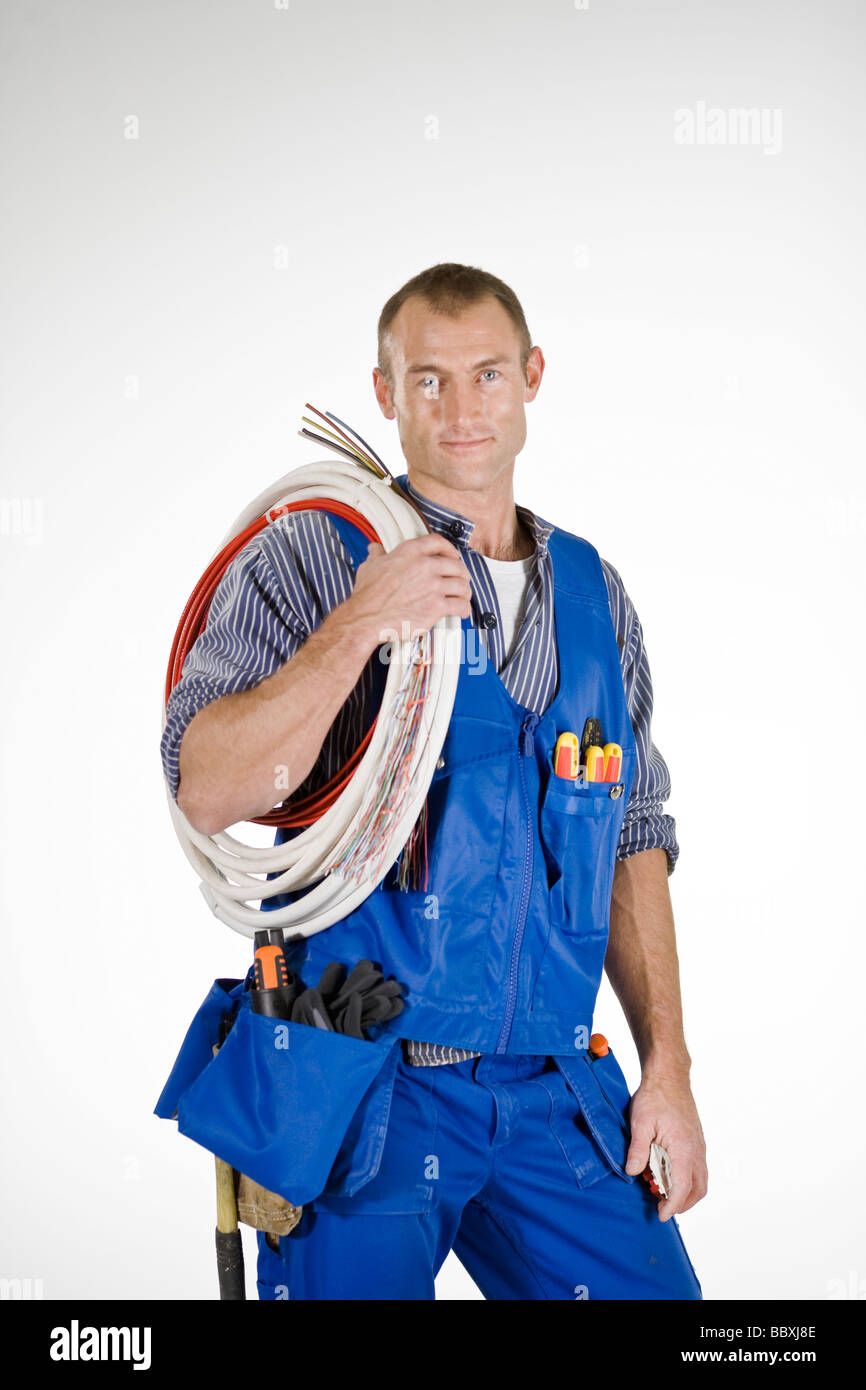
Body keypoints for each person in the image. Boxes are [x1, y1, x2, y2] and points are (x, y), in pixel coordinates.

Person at [161, 262, 707, 1300]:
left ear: (532, 375)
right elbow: (209, 789)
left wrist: (666, 1069)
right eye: (427, 380)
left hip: (553, 1086)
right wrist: (359, 624)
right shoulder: (315, 558)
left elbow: (630, 838)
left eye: (487, 374)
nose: (460, 409)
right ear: (382, 392)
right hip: (368, 1089)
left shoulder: (593, 596)